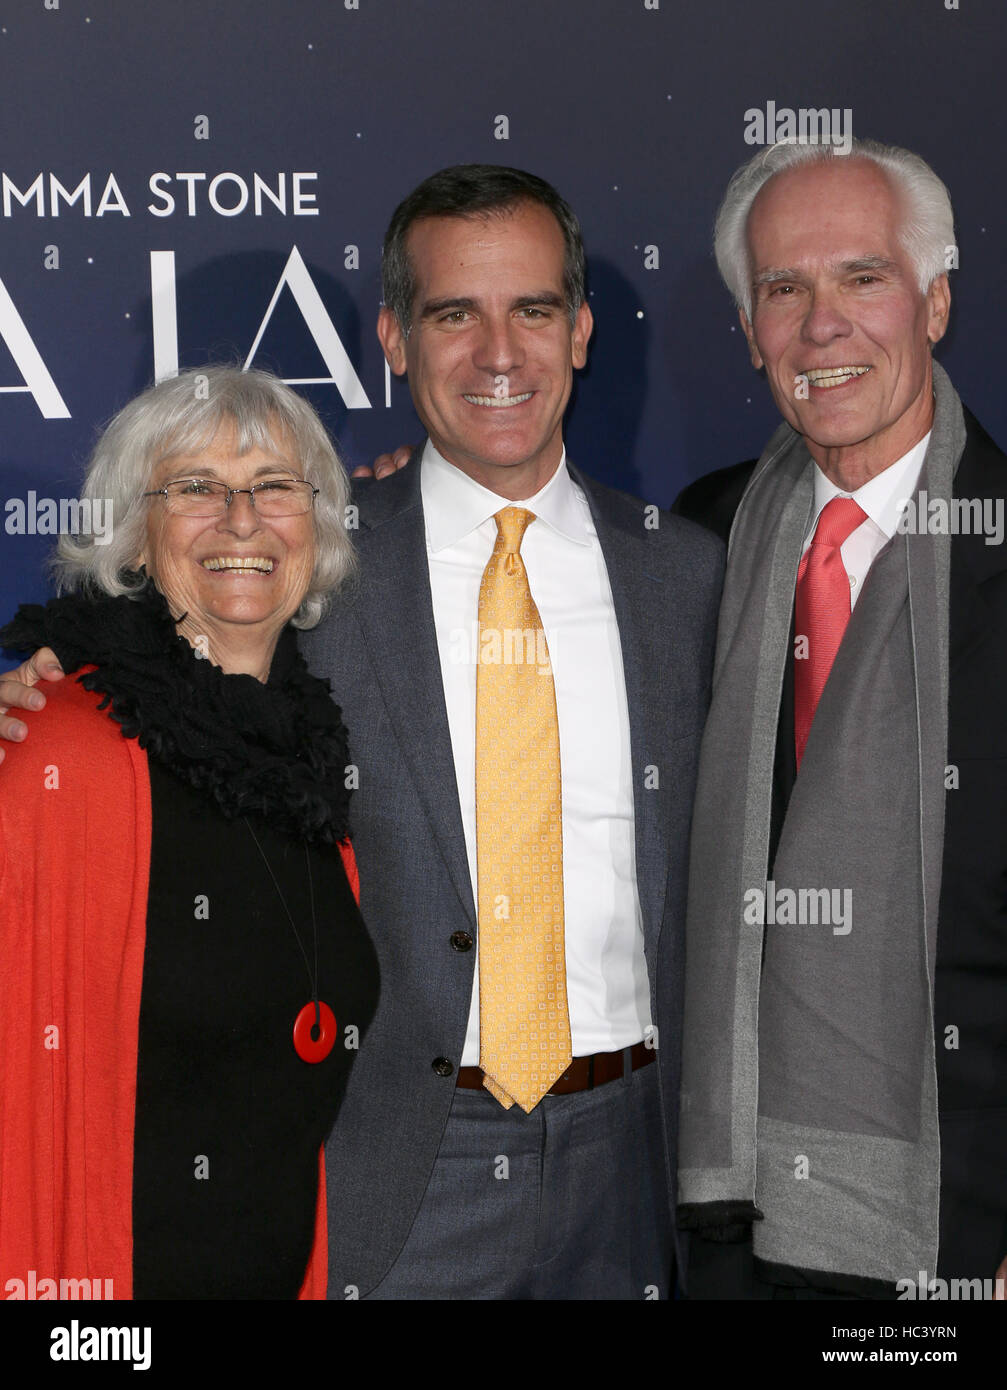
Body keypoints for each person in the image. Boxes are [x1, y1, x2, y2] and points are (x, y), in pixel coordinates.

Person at [3, 165, 723, 1300]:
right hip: (393, 1167)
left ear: (580, 331)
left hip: (628, 1166)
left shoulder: (685, 573)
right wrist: (44, 683)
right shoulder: (312, 567)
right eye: (453, 313)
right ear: (394, 337)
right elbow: (157, 662)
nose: (498, 352)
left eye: (531, 309)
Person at [674, 138, 1007, 1299]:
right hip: (715, 1207)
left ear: (934, 300)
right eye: (782, 289)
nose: (821, 325)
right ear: (750, 326)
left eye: (860, 278)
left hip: (955, 1222)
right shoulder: (701, 537)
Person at [0, 366, 378, 1299]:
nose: (241, 520)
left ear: (318, 530)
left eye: (275, 487)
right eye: (195, 488)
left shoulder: (306, 744)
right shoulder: (63, 743)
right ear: (134, 537)